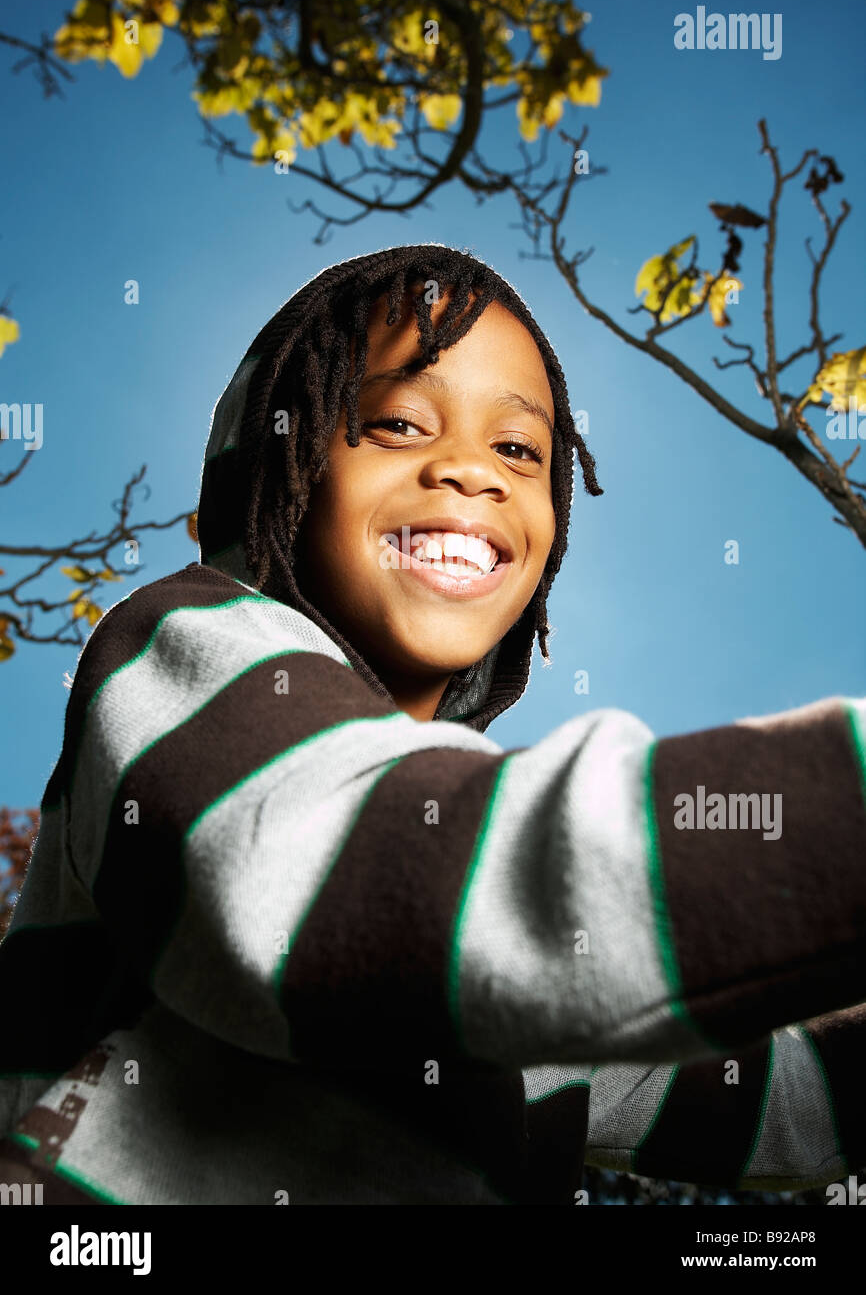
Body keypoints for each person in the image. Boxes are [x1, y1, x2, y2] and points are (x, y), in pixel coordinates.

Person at [0, 244, 863, 1206]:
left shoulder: (525, 955)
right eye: (401, 422)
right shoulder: (188, 642)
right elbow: (341, 884)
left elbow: (792, 1101)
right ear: (279, 462)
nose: (468, 471)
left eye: (519, 450)